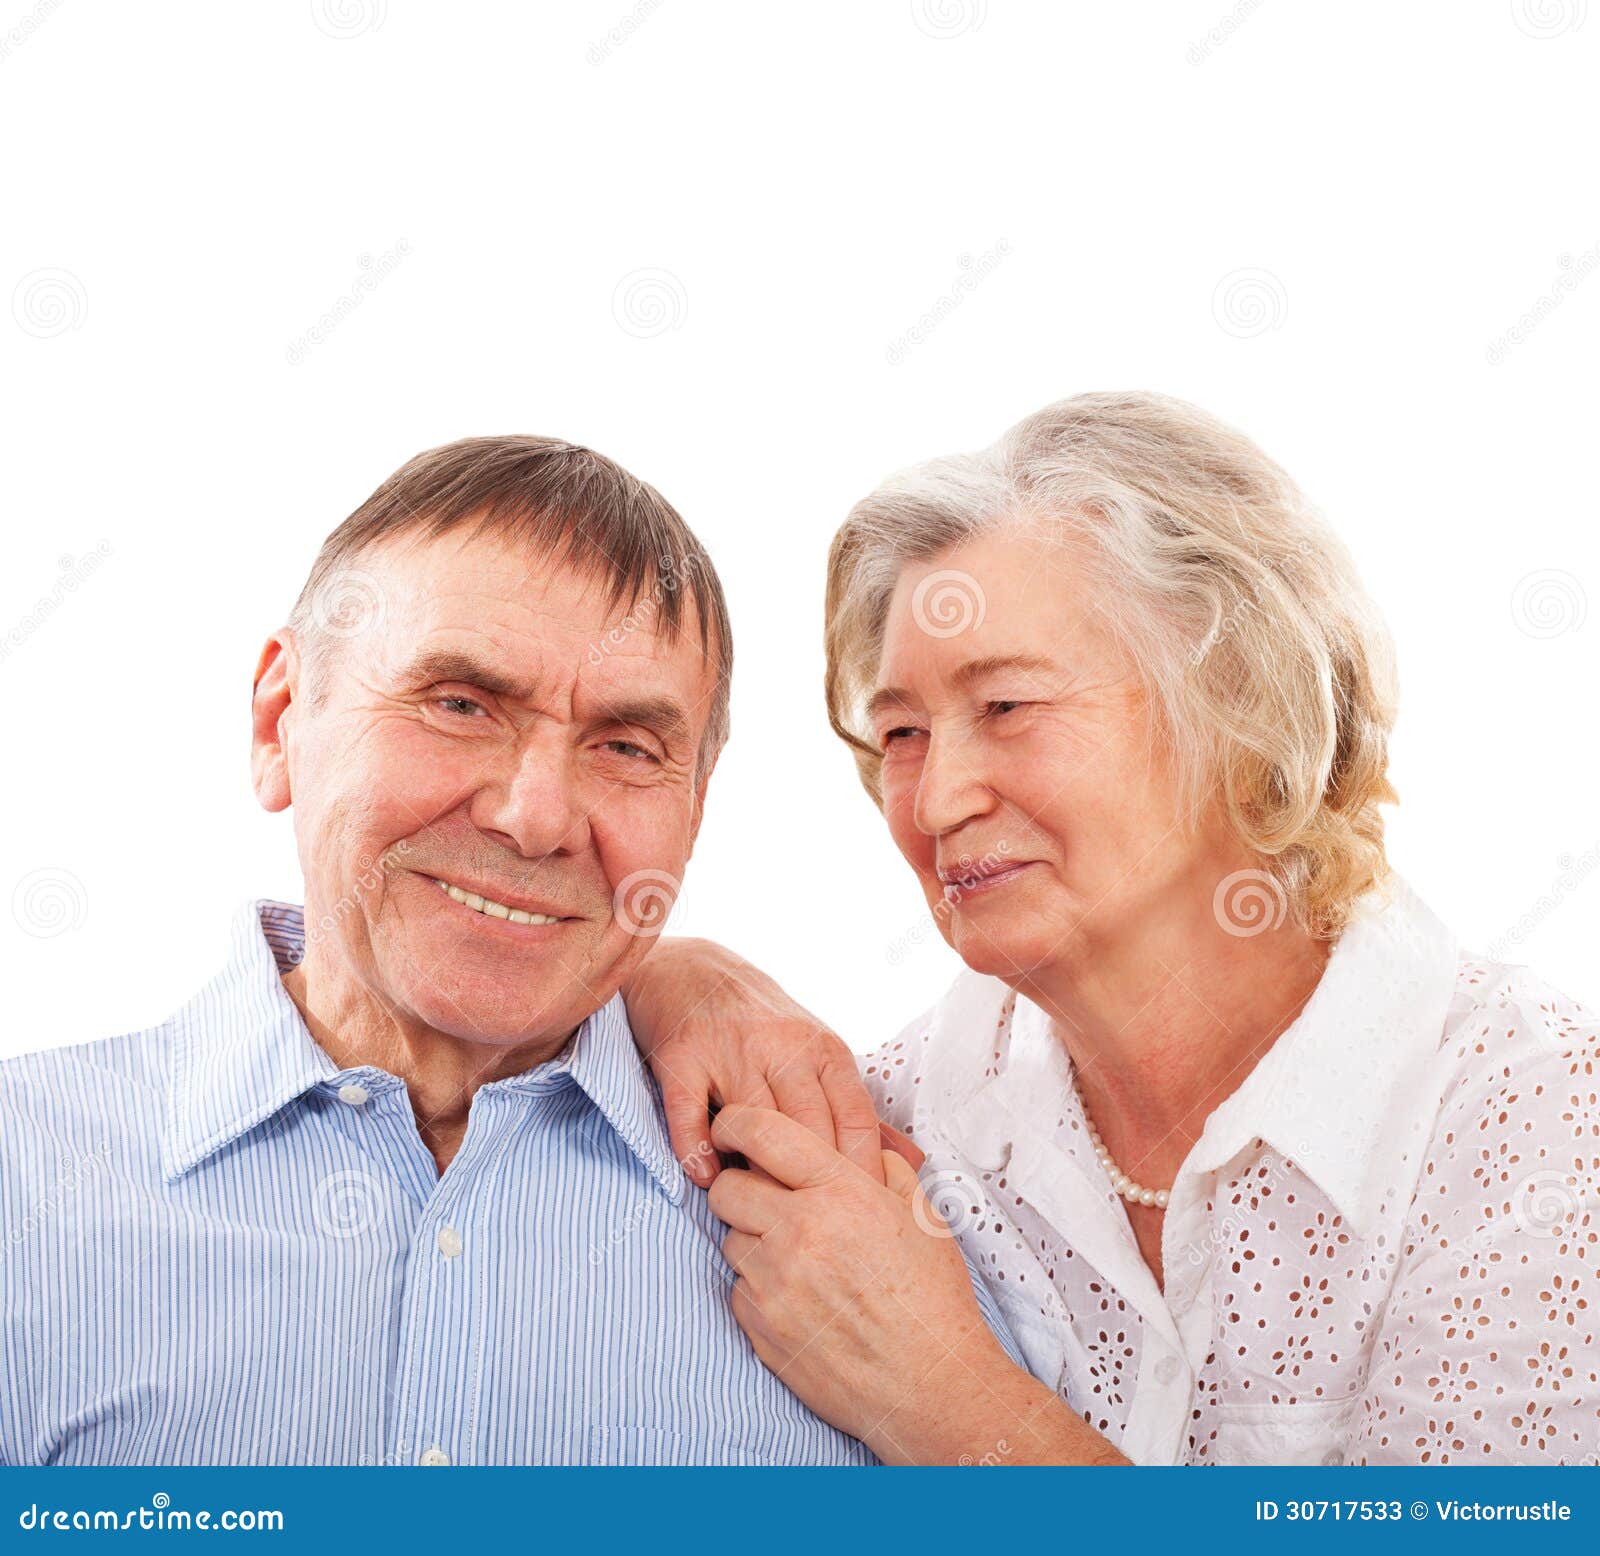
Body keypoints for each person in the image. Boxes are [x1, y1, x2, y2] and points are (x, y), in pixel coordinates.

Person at [0, 435, 1023, 1467]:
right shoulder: (24, 1184)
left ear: (696, 807)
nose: (535, 817)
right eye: (459, 705)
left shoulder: (876, 1240)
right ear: (280, 720)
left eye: (626, 746)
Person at [623, 391, 1600, 1465]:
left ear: (1238, 704)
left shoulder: (1526, 1114)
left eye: (1007, 707)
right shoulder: (892, 1116)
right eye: (901, 730)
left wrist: (951, 1402)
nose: (937, 800)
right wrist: (661, 969)